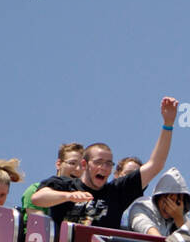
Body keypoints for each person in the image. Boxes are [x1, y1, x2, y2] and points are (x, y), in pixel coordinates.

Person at [30, 96, 179, 227]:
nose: (104, 167)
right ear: (84, 164)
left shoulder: (117, 192)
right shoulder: (64, 184)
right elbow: (37, 198)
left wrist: (168, 123)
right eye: (99, 162)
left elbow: (156, 164)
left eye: (109, 163)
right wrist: (68, 196)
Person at [21, 143, 84, 220]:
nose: (78, 169)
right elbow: (39, 224)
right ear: (58, 164)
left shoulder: (84, 194)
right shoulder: (35, 190)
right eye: (72, 163)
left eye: (82, 165)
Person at [127, 168, 190, 237]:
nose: (171, 207)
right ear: (158, 197)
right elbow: (145, 227)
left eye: (177, 202)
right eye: (168, 200)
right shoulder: (142, 207)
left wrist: (179, 220)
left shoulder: (181, 217)